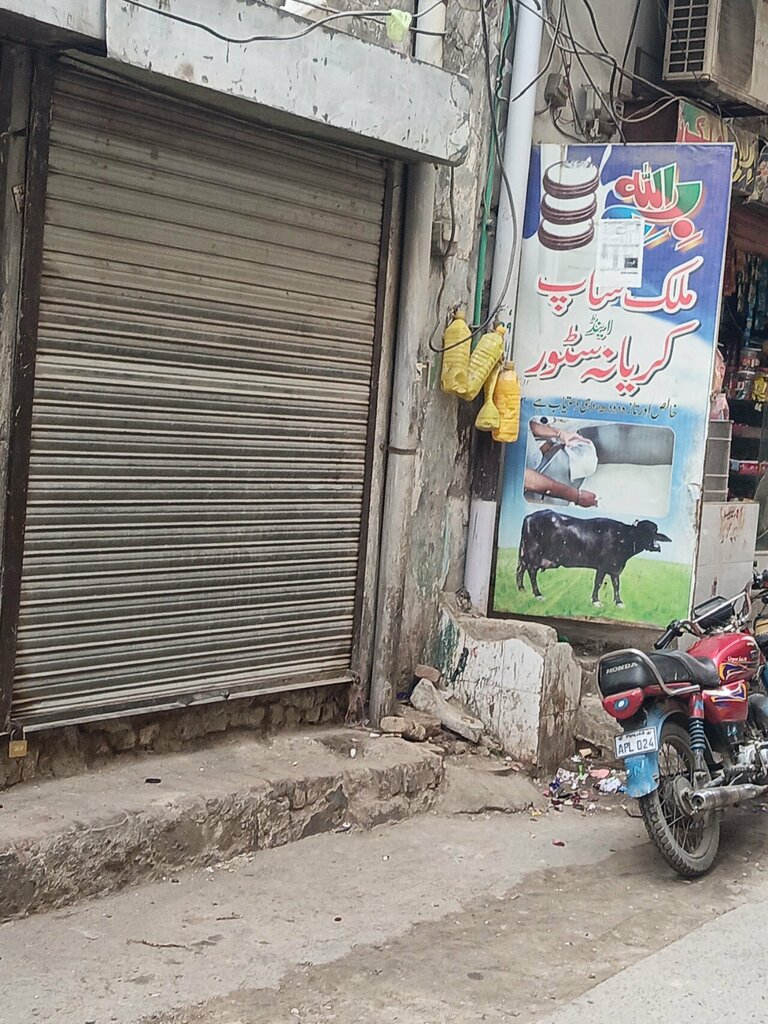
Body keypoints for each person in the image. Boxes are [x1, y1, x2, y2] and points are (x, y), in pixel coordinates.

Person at [524, 419, 598, 508]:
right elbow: (528, 424)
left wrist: (560, 433)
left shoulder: (534, 460)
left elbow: (524, 424)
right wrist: (576, 496)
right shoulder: (534, 460)